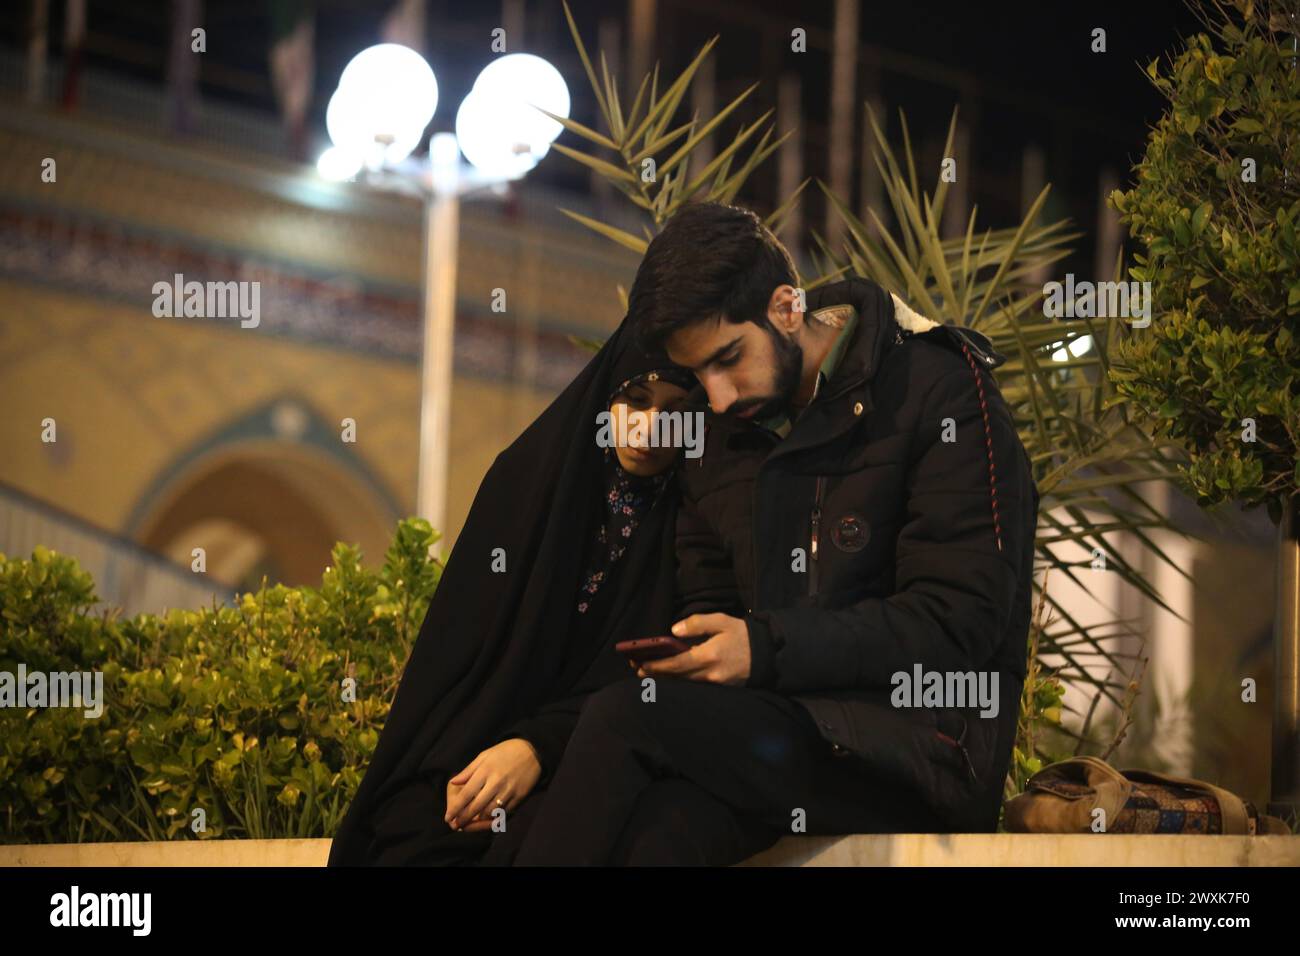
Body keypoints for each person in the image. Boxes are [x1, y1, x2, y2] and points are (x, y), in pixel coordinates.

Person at [507, 200, 1041, 866]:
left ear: (787, 308)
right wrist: (697, 651)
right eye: (700, 374)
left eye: (728, 358)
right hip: (778, 740)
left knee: (626, 717)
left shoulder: (940, 391)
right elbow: (711, 604)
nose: (720, 396)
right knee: (652, 834)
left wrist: (766, 648)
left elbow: (960, 621)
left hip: (916, 755)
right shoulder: (723, 438)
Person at [326, 317, 695, 866]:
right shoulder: (528, 485)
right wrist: (471, 771)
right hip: (471, 759)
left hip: (592, 766)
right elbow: (458, 669)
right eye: (636, 400)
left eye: (675, 413)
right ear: (605, 400)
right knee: (412, 836)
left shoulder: (694, 525)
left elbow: (660, 688)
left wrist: (537, 749)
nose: (649, 429)